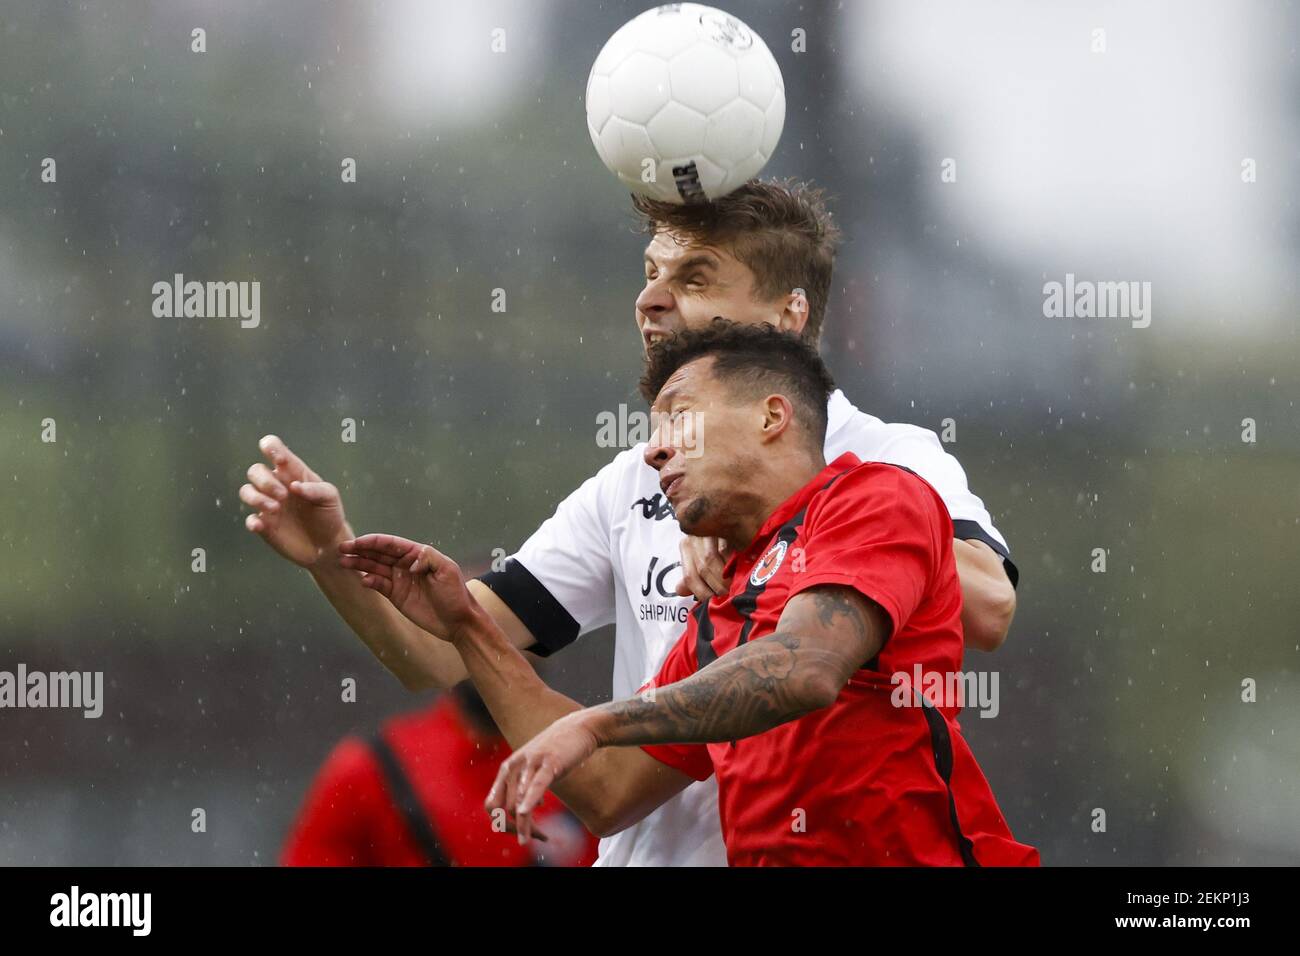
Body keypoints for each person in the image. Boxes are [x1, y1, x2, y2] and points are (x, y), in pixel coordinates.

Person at [241, 179, 1019, 866]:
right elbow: (440, 659)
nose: (649, 298)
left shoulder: (885, 467)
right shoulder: (640, 490)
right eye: (649, 273)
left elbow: (981, 610)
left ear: (787, 318)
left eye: (694, 275)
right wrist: (331, 561)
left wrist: (774, 528)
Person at [343, 321, 1038, 866]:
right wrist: (468, 624)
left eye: (678, 415)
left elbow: (806, 665)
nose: (653, 449)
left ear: (771, 416)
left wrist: (597, 721)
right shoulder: (721, 610)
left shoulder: (876, 496)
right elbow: (610, 792)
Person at [281, 682, 597, 867]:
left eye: (515, 628)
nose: (492, 643)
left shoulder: (591, 763)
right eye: (470, 625)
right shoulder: (371, 764)